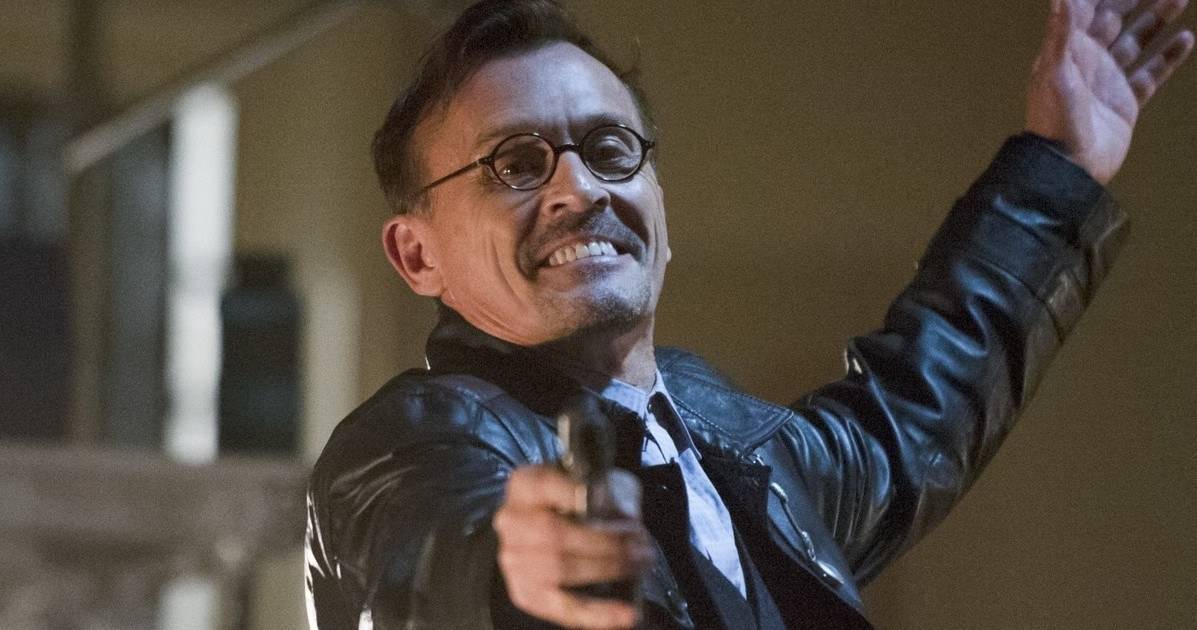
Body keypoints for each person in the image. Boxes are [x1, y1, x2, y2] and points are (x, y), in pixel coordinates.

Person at [304, 0, 1193, 628]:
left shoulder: (720, 435)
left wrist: (1058, 162)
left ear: (659, 205)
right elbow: (430, 549)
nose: (579, 189)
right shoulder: (406, 445)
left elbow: (916, 408)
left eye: (609, 148)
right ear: (416, 255)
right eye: (515, 164)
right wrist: (514, 571)